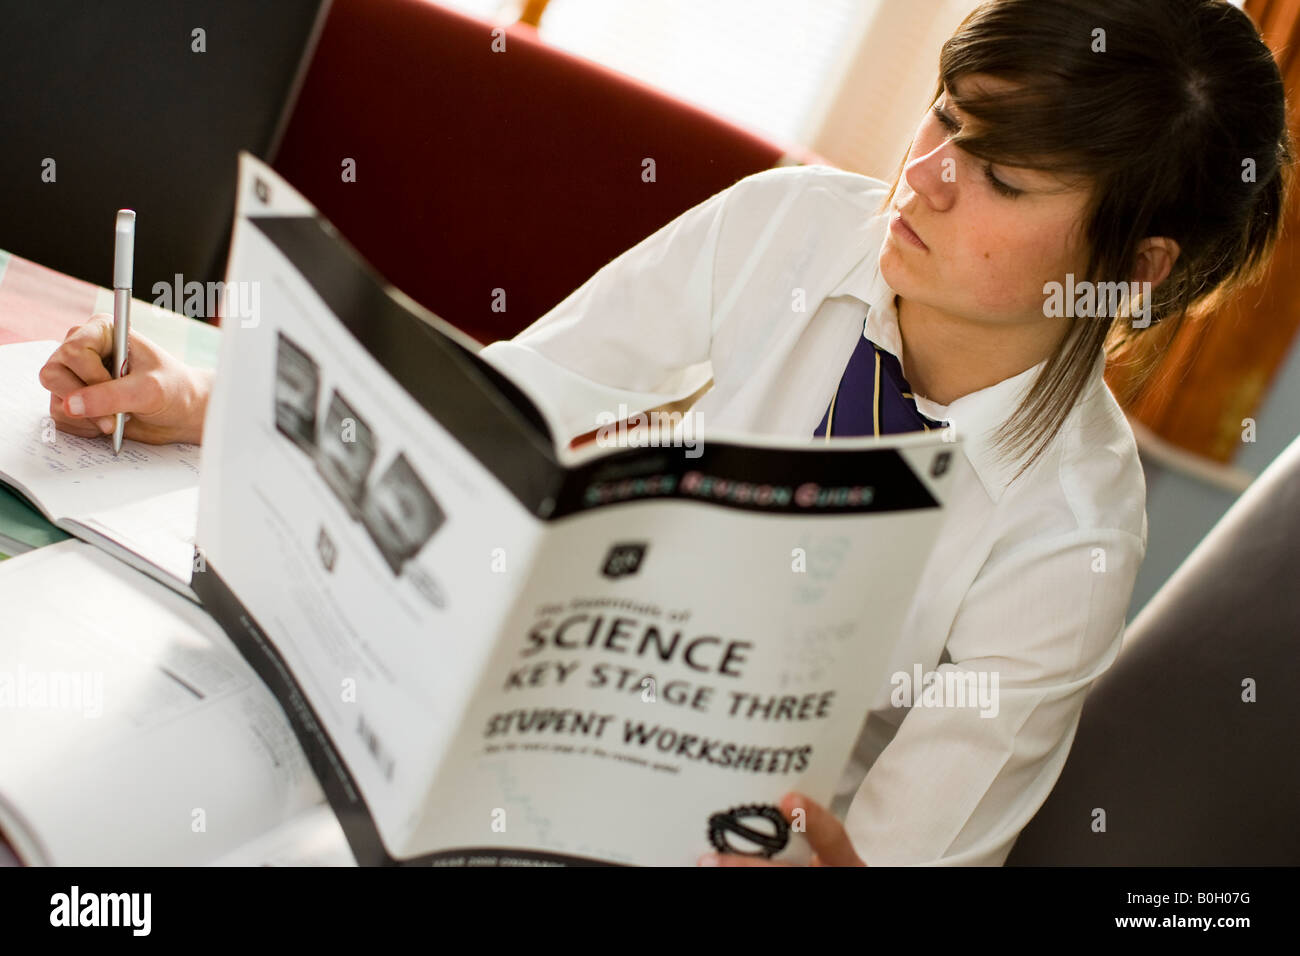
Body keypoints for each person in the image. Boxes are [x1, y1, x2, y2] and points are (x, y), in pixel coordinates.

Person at [38, 0, 1292, 865]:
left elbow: (908, 857)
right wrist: (215, 402)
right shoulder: (794, 226)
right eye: (945, 119)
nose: (924, 178)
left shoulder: (1068, 532)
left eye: (1002, 179)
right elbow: (519, 398)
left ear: (1132, 269)